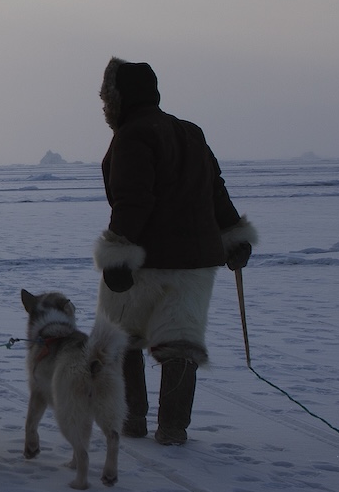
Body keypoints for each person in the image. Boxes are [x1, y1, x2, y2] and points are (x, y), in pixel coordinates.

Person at [92, 58, 256, 446]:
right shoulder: (191, 132)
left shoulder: (132, 135)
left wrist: (118, 252)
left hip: (146, 261)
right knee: (180, 343)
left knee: (123, 335)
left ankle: (131, 419)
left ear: (117, 99)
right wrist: (234, 236)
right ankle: (172, 428)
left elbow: (133, 201)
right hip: (196, 263)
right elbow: (214, 188)